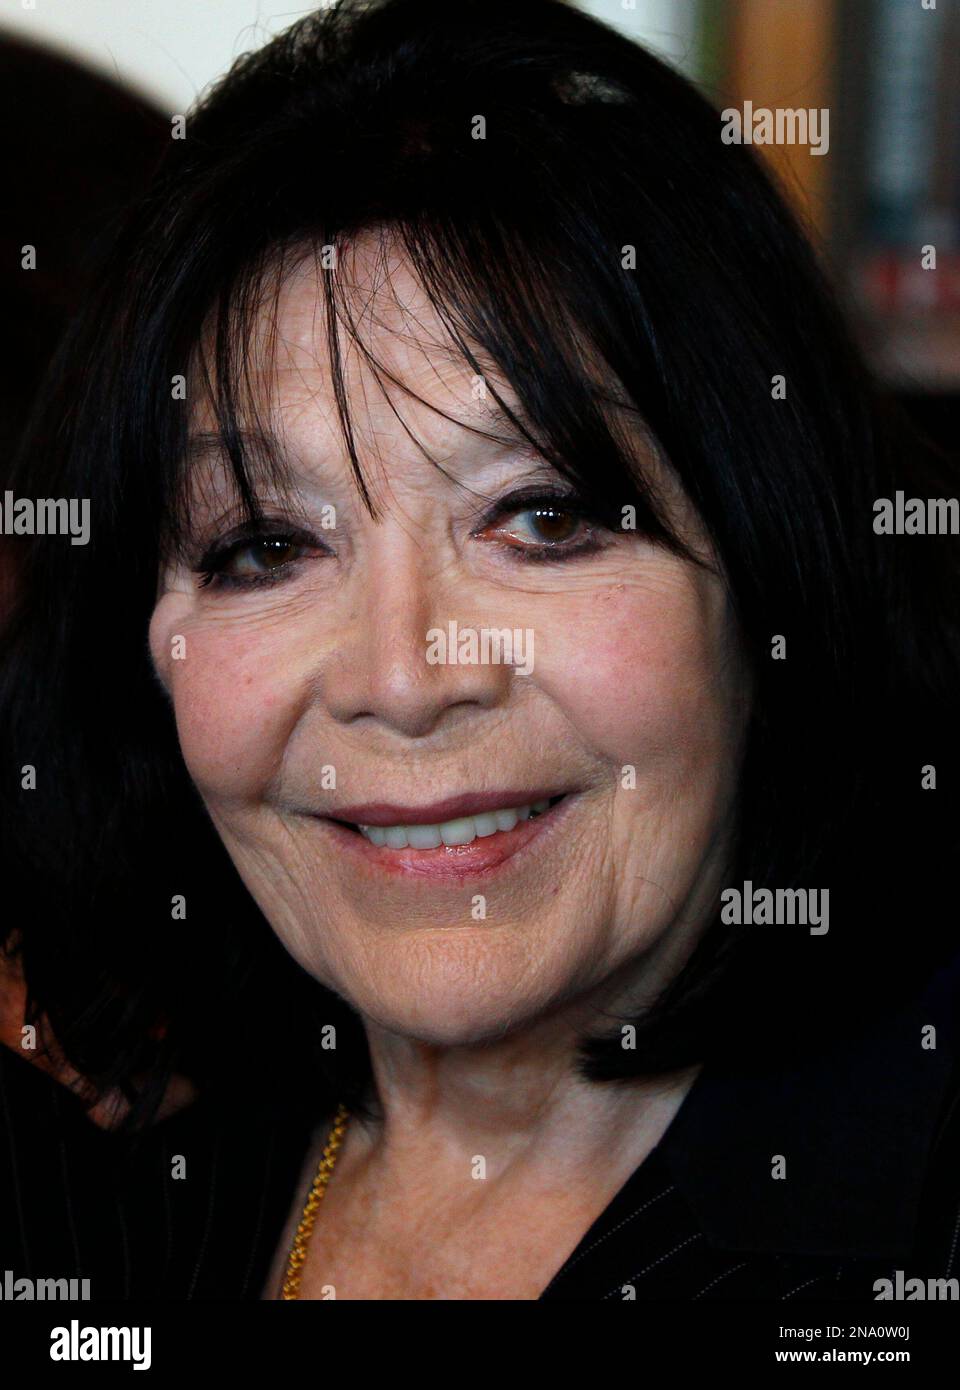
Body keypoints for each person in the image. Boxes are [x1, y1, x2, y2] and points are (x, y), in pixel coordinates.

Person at [1, 0, 959, 1302]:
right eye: (267, 545)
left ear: (768, 575)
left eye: (544, 516)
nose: (402, 675)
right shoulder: (89, 1205)